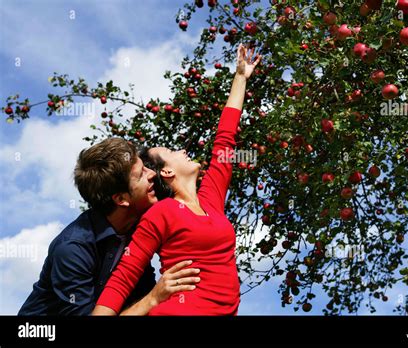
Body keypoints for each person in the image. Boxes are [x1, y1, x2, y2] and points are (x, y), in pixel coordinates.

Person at [93, 44, 261, 315]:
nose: (183, 150)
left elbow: (225, 139)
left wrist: (240, 77)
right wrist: (149, 301)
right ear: (167, 173)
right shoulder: (161, 213)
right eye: (172, 152)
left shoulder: (211, 200)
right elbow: (123, 278)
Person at [18, 138, 200, 315]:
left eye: (146, 167)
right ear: (121, 199)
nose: (152, 174)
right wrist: (153, 298)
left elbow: (139, 293)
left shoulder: (138, 228)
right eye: (141, 175)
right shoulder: (73, 249)